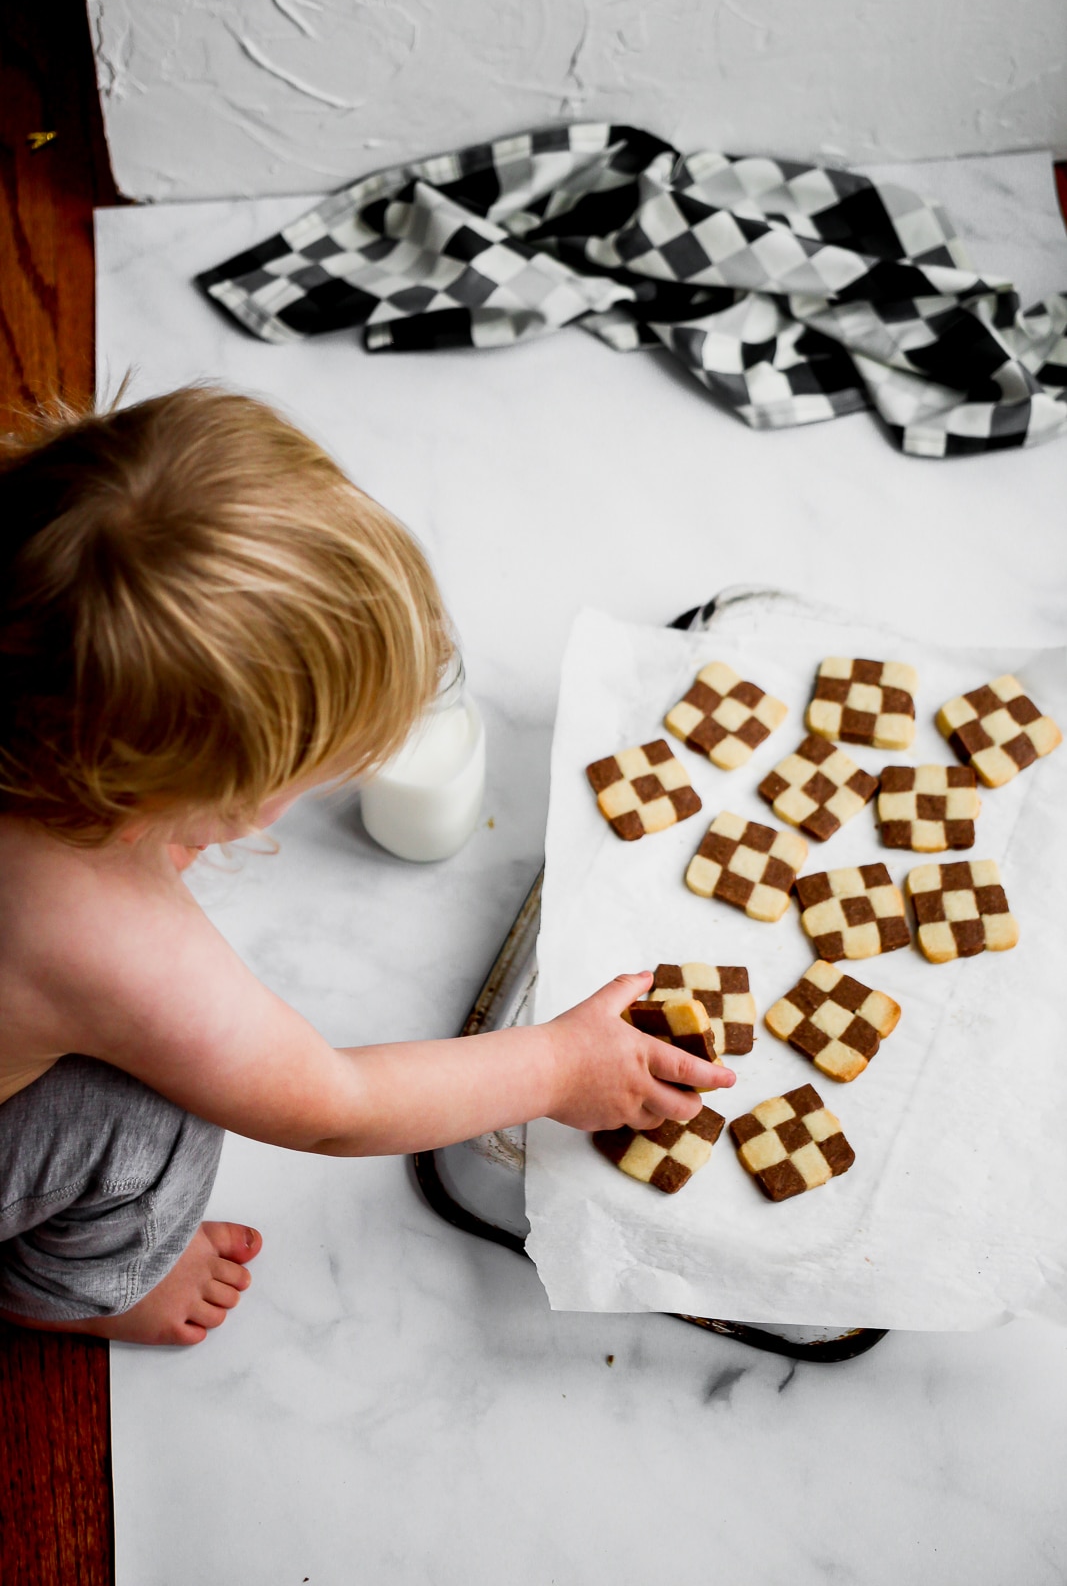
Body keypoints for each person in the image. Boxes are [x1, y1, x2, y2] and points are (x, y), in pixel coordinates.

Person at [0, 386, 734, 1347]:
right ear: (170, 797)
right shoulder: (109, 938)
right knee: (159, 1104)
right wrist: (558, 1065)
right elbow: (328, 1106)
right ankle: (72, 1286)